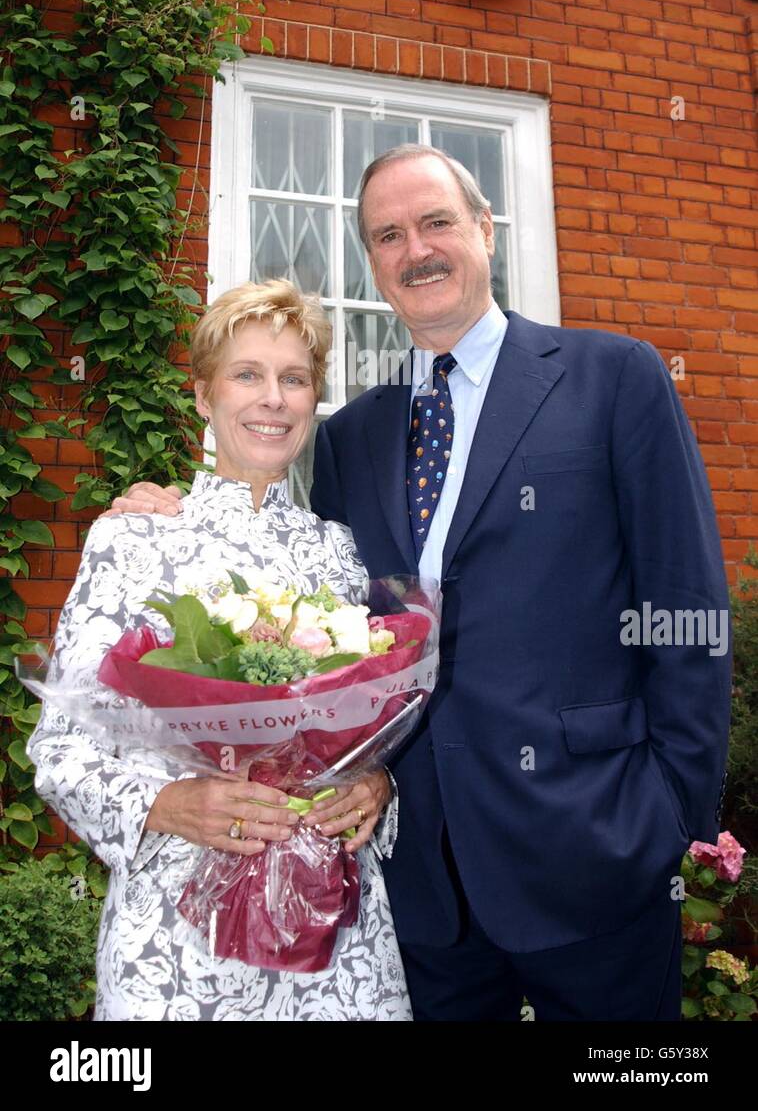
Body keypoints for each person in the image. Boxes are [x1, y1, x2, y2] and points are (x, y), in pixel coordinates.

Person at [113, 144, 732, 1022]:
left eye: (436, 222)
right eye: (388, 235)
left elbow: (685, 606)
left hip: (596, 852)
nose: (417, 250)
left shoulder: (612, 378)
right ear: (374, 262)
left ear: (484, 229)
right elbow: (331, 634)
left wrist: (671, 815)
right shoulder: (351, 438)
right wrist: (170, 513)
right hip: (419, 883)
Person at [26, 280, 411, 1022]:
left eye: (293, 379)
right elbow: (61, 749)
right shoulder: (135, 538)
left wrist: (377, 787)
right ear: (204, 395)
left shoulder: (342, 553)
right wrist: (169, 804)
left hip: (338, 937)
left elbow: (371, 728)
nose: (273, 399)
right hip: (177, 938)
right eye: (247, 375)